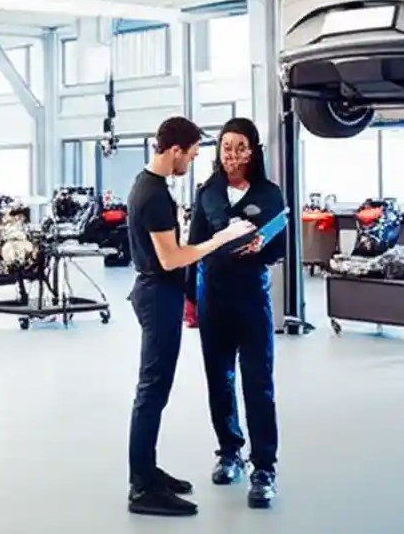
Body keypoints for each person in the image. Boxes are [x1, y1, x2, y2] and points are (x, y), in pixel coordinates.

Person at [125, 116, 256, 517]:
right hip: (156, 294)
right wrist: (220, 239)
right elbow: (171, 257)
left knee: (156, 388)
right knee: (153, 390)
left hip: (157, 291)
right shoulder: (154, 196)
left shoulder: (149, 186)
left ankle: (147, 471)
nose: (194, 161)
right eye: (193, 153)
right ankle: (142, 488)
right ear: (175, 150)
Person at [186, 117, 286, 509]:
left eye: (239, 146)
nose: (232, 154)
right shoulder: (207, 192)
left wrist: (261, 246)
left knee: (258, 382)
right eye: (226, 146)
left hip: (251, 297)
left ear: (253, 151)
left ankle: (264, 468)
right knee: (219, 379)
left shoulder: (269, 193)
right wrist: (189, 299)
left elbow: (280, 247)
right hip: (213, 296)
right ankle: (230, 451)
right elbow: (194, 245)